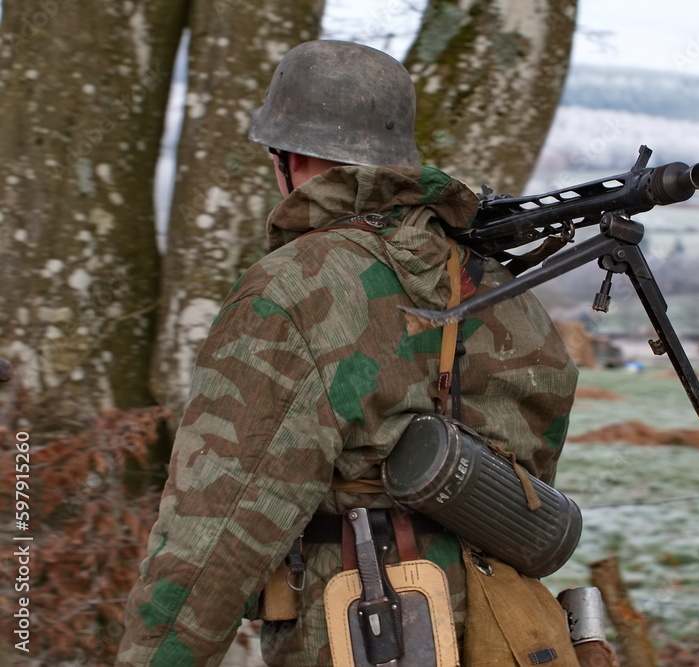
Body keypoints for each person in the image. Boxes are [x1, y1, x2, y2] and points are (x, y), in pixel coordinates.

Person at [117, 40, 578, 666]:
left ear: (290, 158)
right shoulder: (501, 287)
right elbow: (534, 490)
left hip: (366, 631)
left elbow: (215, 533)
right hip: (516, 638)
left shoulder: (291, 288)